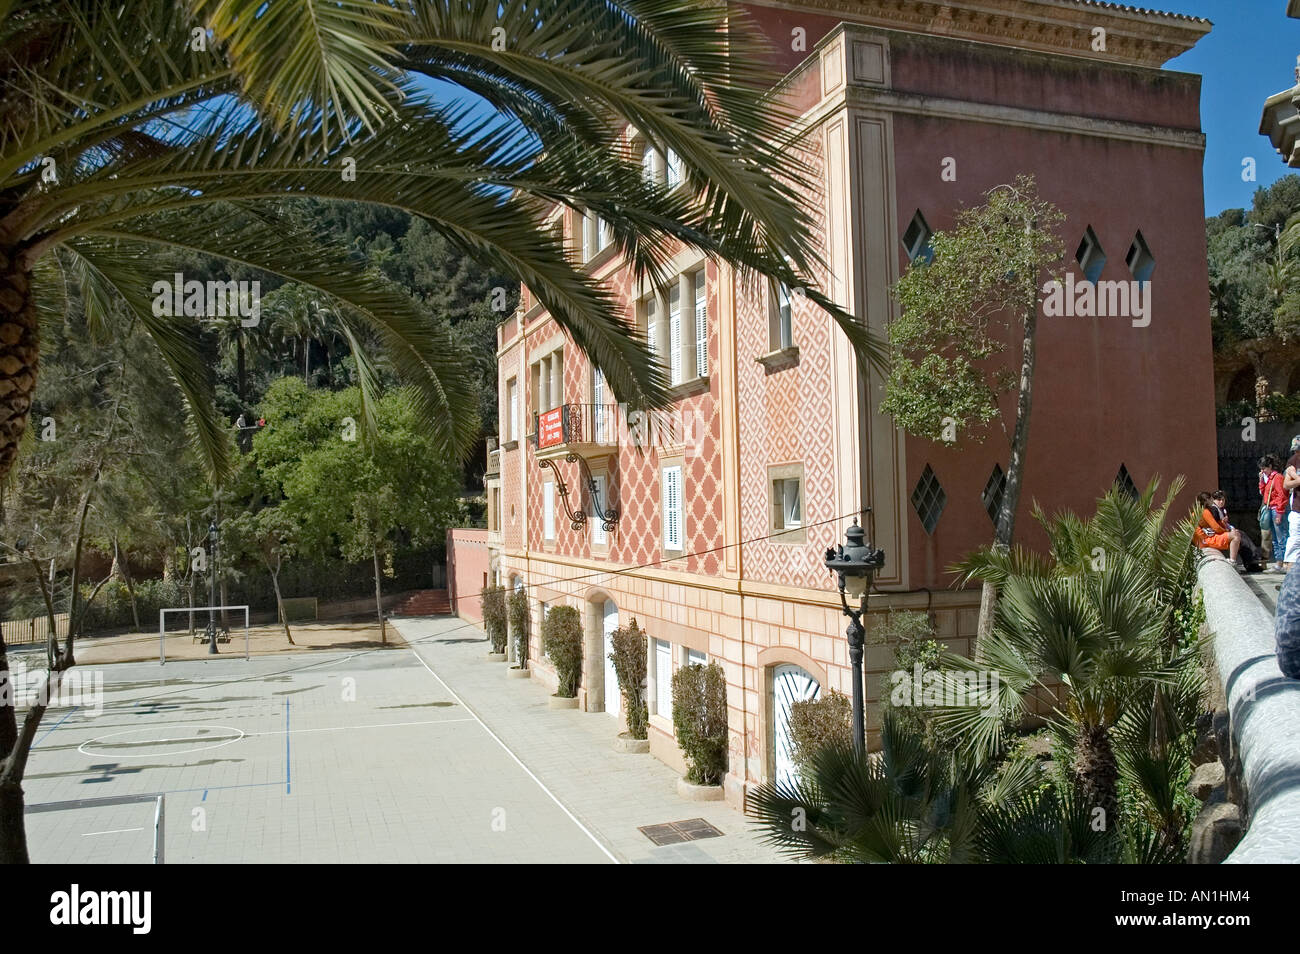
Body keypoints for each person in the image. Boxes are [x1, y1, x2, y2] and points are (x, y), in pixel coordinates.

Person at [1213, 491, 1264, 572]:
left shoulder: (1221, 509)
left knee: (1242, 535)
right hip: (1219, 533)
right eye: (1219, 500)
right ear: (1213, 500)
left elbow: (1225, 523)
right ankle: (1251, 561)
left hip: (1225, 531)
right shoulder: (1214, 510)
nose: (1221, 502)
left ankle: (1251, 561)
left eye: (1223, 500)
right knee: (1240, 537)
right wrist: (1229, 529)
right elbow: (1216, 526)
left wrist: (1231, 528)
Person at [1194, 491, 1244, 571]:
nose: (1212, 501)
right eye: (1211, 499)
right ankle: (1232, 561)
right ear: (1207, 500)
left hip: (1203, 540)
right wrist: (1227, 530)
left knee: (1235, 533)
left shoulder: (1197, 511)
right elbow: (1216, 528)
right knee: (1235, 535)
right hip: (1206, 541)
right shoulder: (1205, 512)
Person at [1260, 455, 1288, 572]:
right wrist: (1261, 480)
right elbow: (1263, 492)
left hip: (1276, 509)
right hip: (1270, 508)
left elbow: (1282, 495)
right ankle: (1278, 562)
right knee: (1275, 538)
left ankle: (1285, 563)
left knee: (1281, 537)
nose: (1263, 471)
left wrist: (1280, 512)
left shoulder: (1277, 478)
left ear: (1270, 467)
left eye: (1264, 468)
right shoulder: (1269, 478)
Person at [1284, 436, 1300, 567]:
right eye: (1295, 450)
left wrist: (1295, 476)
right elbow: (1286, 484)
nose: (1296, 453)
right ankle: (1291, 578)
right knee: (1294, 542)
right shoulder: (1293, 461)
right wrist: (1298, 479)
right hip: (1297, 508)